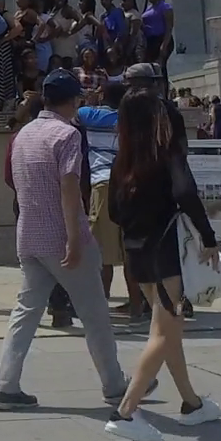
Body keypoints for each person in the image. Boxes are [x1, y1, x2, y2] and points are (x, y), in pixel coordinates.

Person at [0, 70, 132, 412]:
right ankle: (114, 385)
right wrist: (74, 237)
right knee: (95, 314)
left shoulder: (23, 135)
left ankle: (5, 384)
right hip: (62, 237)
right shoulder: (66, 134)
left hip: (30, 234)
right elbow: (69, 187)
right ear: (72, 101)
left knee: (25, 312)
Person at [106, 90, 221, 441]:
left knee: (168, 331)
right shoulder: (167, 153)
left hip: (135, 250)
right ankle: (126, 411)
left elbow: (113, 212)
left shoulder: (122, 160)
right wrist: (208, 236)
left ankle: (191, 403)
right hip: (165, 249)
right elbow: (186, 193)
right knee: (164, 331)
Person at [78, 81, 141, 320]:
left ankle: (100, 307)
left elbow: (79, 112)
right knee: (129, 253)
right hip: (129, 185)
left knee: (101, 253)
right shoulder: (129, 120)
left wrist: (91, 97)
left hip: (103, 184)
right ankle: (136, 306)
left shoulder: (90, 115)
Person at [140, 0, 174, 69]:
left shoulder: (165, 7)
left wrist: (164, 45)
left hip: (161, 38)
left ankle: (163, 82)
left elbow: (169, 27)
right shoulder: (147, 8)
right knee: (151, 67)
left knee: (160, 65)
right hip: (150, 41)